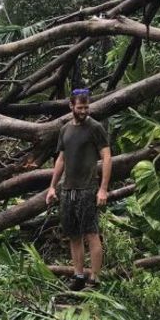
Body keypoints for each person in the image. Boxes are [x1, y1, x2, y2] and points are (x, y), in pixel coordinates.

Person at [45, 88, 111, 290]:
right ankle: (79, 276)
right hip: (68, 190)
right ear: (71, 106)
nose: (84, 111)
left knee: (91, 233)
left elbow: (107, 157)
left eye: (87, 107)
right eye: (80, 107)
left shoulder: (95, 128)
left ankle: (95, 279)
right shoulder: (65, 130)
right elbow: (61, 160)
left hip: (88, 188)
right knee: (73, 234)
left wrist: (103, 189)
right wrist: (52, 187)